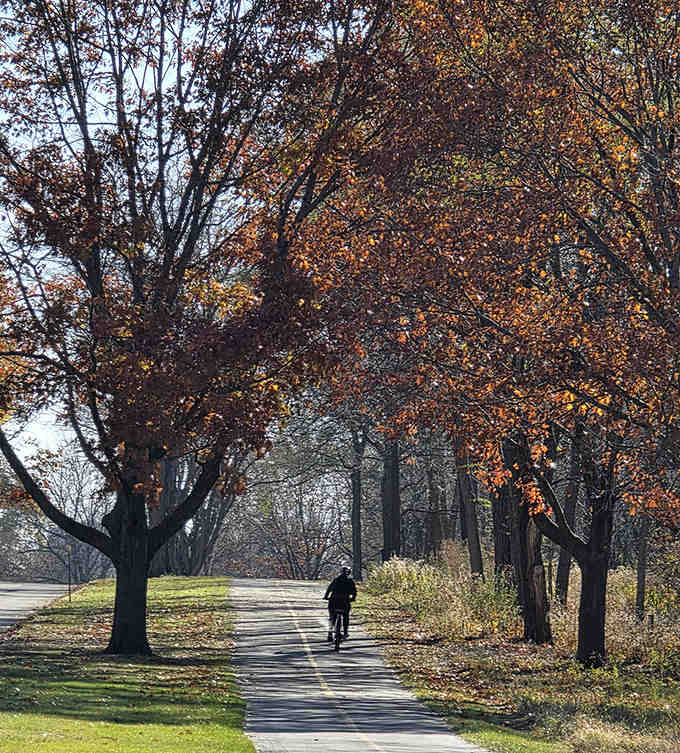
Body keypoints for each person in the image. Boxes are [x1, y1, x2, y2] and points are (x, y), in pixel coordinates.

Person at [323, 564, 357, 642]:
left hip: (334, 600)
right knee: (345, 616)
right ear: (349, 573)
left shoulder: (336, 580)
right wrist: (353, 599)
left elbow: (329, 589)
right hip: (345, 601)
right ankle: (345, 632)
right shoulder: (350, 581)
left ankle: (330, 633)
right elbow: (354, 592)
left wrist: (326, 596)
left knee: (332, 617)